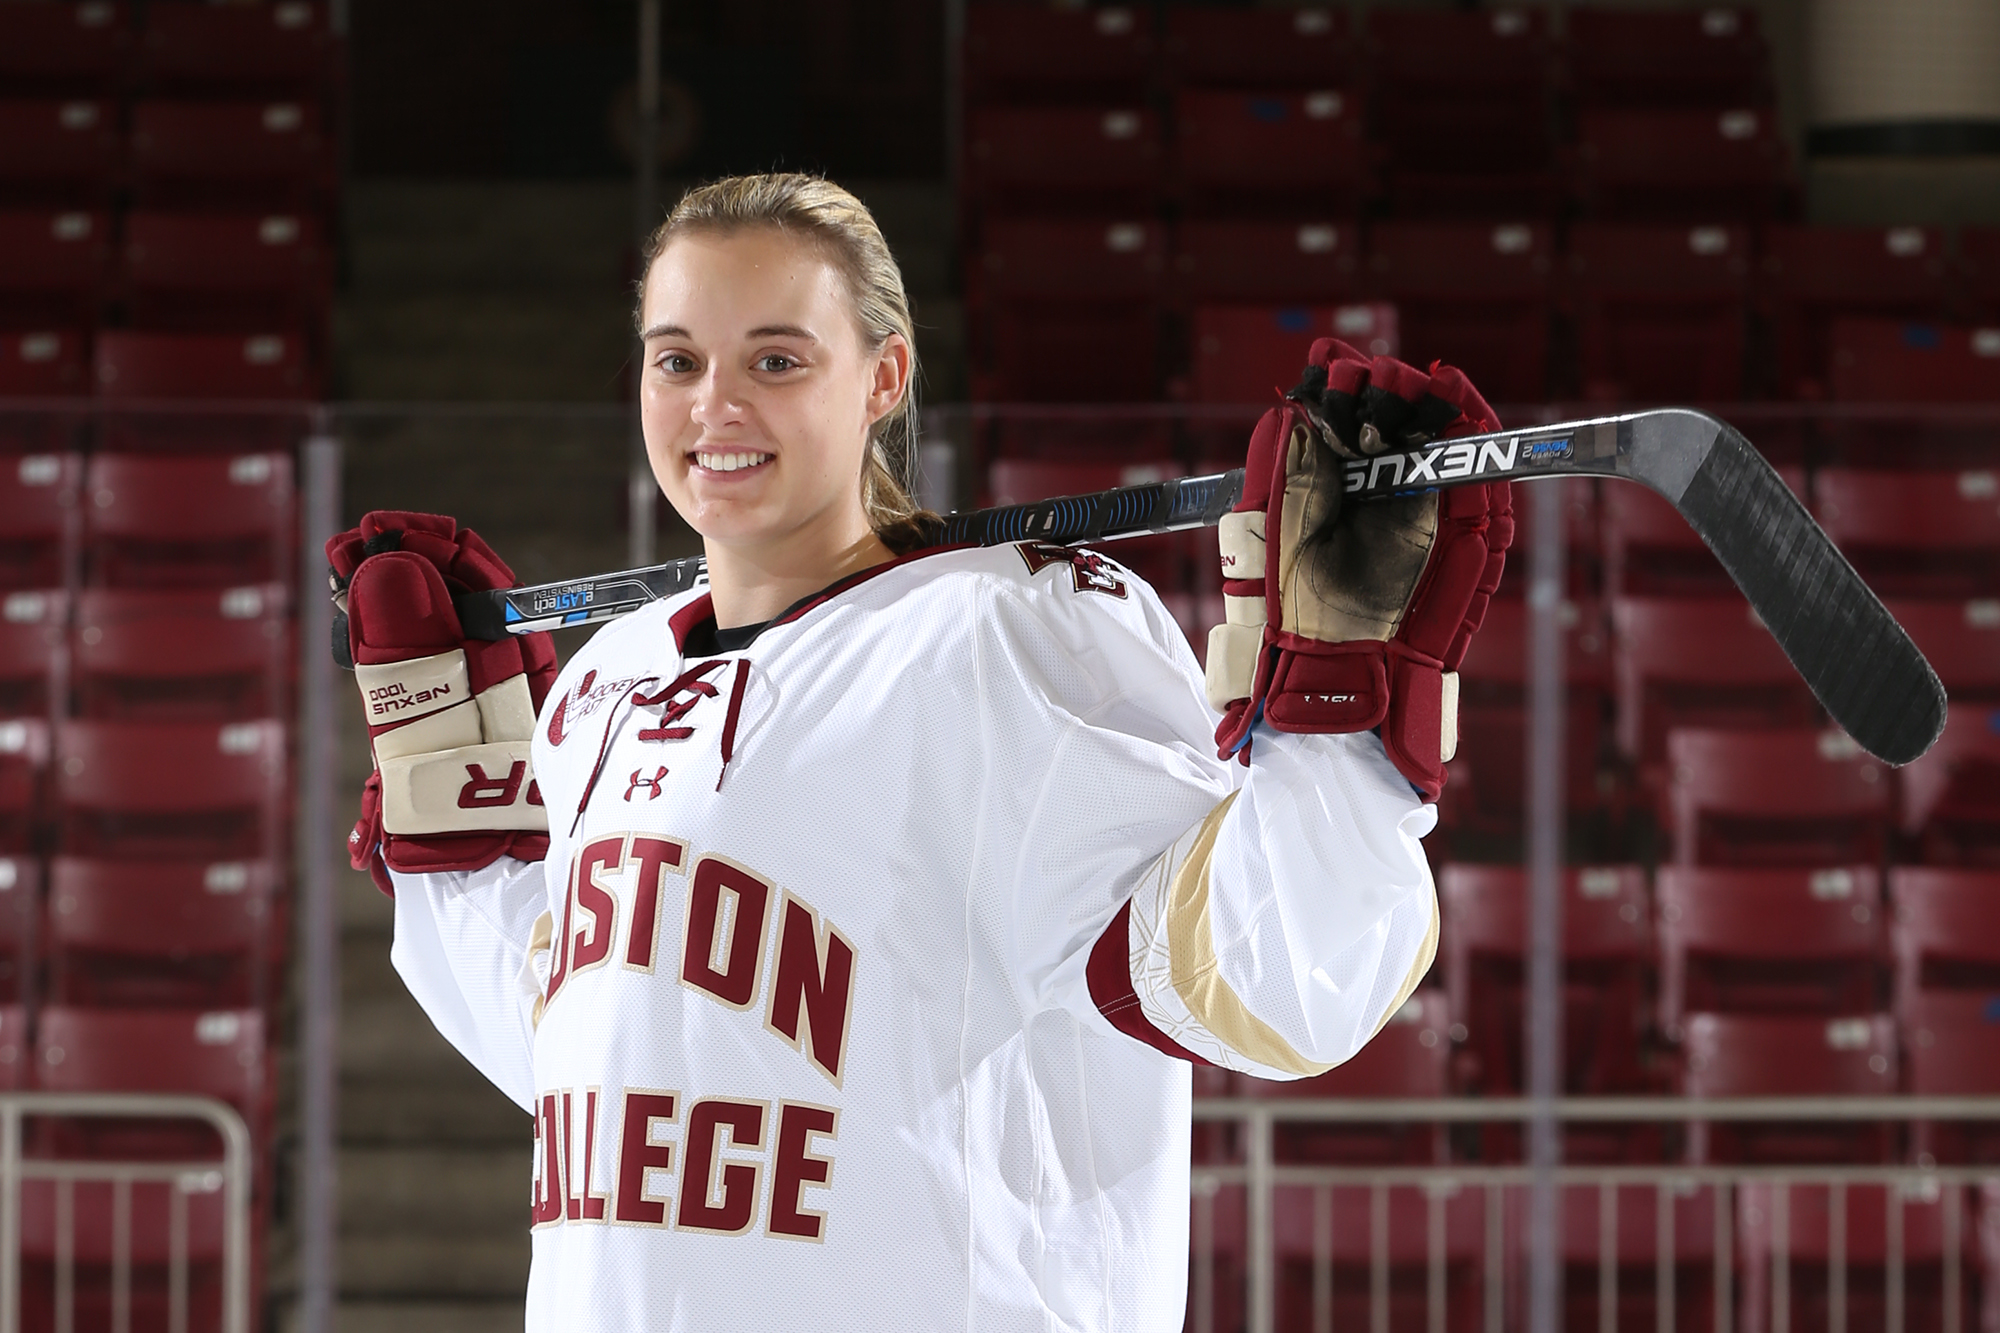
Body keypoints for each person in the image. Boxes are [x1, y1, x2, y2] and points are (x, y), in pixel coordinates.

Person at [329, 172, 1512, 1331]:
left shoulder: (1009, 634)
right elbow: (595, 1062)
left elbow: (1273, 985)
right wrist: (461, 868)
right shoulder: (606, 680)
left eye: (775, 361)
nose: (713, 406)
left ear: (882, 376)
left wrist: (1331, 725)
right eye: (677, 360)